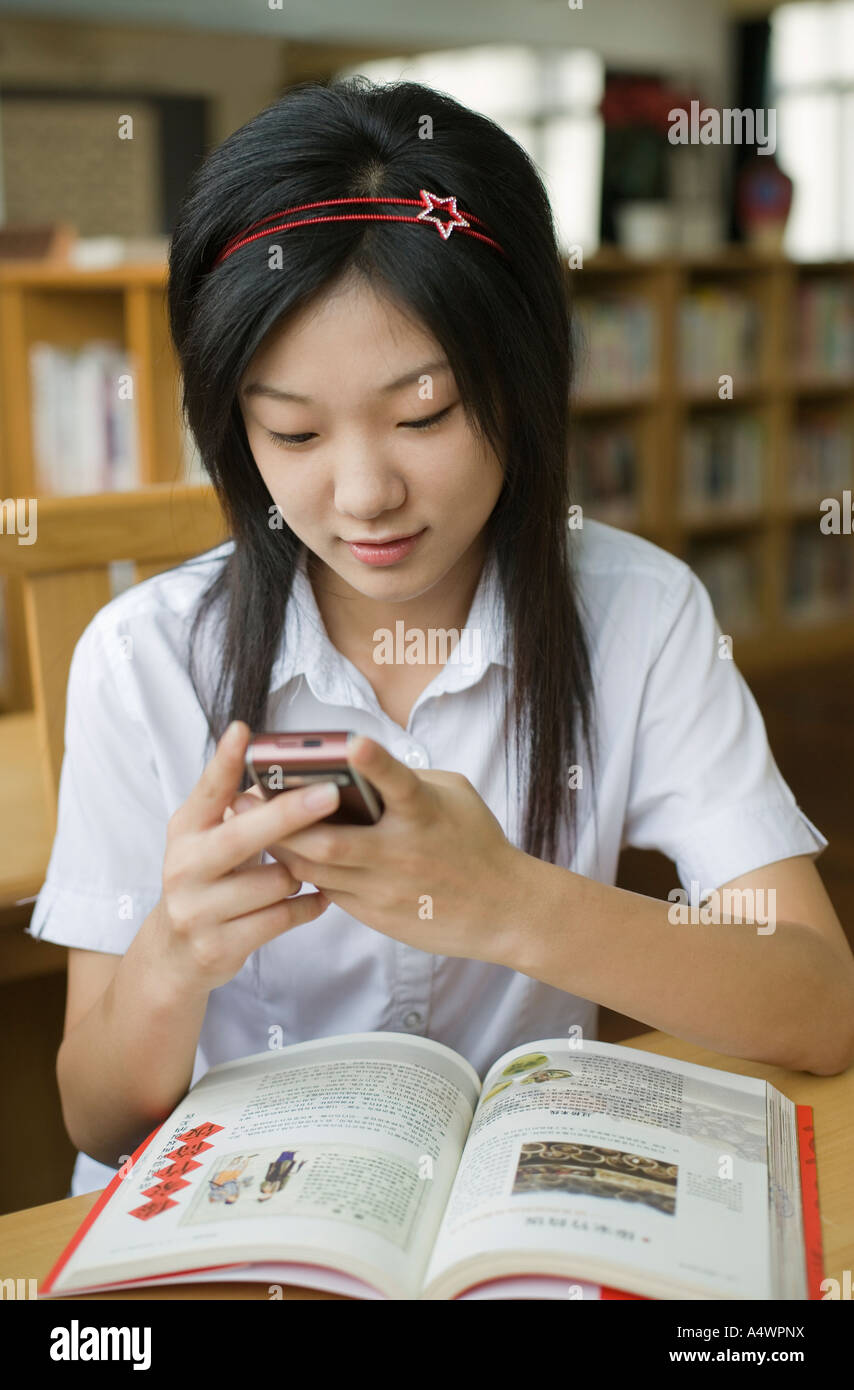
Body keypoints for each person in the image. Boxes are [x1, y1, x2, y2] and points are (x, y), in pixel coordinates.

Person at [28, 78, 854, 1201]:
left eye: (423, 415)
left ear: (524, 380)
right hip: (246, 1217)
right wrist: (173, 950)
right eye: (294, 430)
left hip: (508, 1219)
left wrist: (509, 901)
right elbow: (95, 1112)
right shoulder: (147, 657)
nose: (364, 492)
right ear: (236, 430)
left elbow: (816, 1001)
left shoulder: (638, 614)